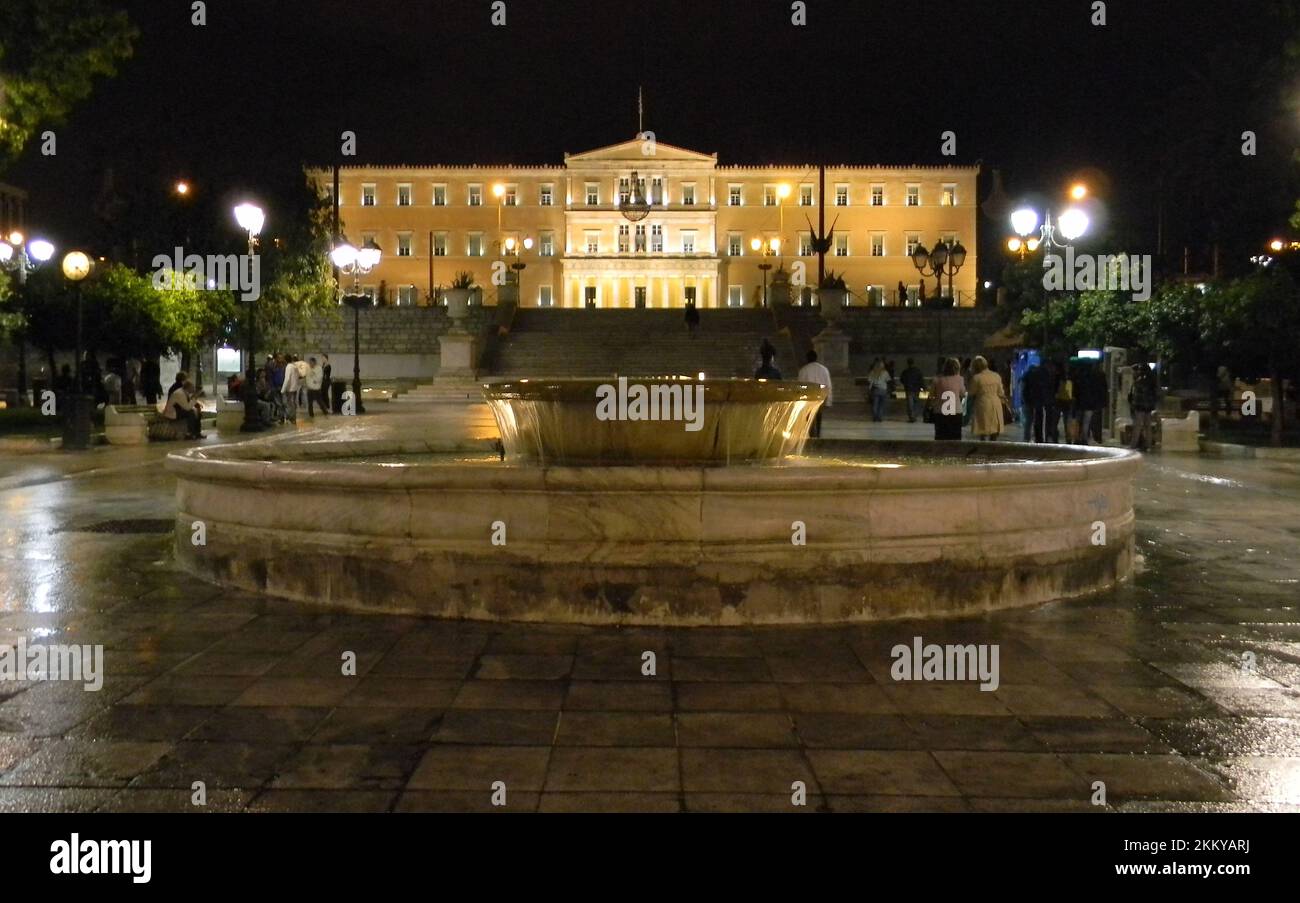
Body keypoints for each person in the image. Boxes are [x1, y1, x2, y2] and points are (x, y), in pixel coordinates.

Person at [968, 356, 1008, 441]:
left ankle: (983, 446)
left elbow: (971, 392)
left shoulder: (976, 378)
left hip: (982, 403)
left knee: (983, 427)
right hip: (995, 403)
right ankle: (993, 447)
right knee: (994, 427)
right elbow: (1001, 392)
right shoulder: (996, 376)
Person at [928, 358, 965, 440]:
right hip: (955, 411)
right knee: (955, 436)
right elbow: (963, 393)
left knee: (941, 436)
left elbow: (931, 395)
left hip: (940, 411)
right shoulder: (959, 379)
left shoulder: (937, 380)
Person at [797, 350, 832, 438]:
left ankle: (812, 434)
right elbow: (828, 386)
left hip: (809, 398)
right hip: (820, 397)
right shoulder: (824, 370)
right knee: (819, 416)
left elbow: (800, 386)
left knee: (809, 418)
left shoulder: (803, 370)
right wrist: (829, 400)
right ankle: (818, 434)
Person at [1128, 363, 1159, 451]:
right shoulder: (1152, 381)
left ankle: (1133, 445)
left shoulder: (1139, 381)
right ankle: (1148, 445)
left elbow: (1136, 396)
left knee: (1137, 426)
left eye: (1140, 369)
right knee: (1147, 426)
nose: (1138, 371)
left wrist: (1133, 404)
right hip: (1149, 407)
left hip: (1140, 407)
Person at [1021, 361, 1050, 443]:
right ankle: (1039, 437)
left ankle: (1027, 437)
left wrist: (1024, 400)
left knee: (1029, 420)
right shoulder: (1042, 376)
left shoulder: (1027, 376)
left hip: (1029, 401)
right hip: (1039, 401)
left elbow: (1024, 390)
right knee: (1038, 419)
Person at [900, 358, 924, 423]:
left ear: (908, 363)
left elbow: (902, 379)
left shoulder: (905, 371)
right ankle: (914, 416)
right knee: (916, 403)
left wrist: (906, 384)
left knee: (910, 404)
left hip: (909, 389)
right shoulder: (918, 371)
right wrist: (923, 387)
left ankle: (911, 417)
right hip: (916, 389)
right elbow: (921, 380)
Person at [866, 358, 890, 423]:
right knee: (881, 404)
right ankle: (880, 417)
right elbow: (888, 380)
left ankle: (875, 417)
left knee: (875, 404)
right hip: (883, 390)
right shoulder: (885, 372)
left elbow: (869, 380)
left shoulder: (873, 372)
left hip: (875, 389)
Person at [281, 353, 302, 421]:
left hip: (290, 388)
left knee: (288, 403)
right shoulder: (295, 367)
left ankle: (291, 417)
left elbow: (287, 379)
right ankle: (293, 417)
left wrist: (283, 389)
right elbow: (298, 376)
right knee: (293, 403)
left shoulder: (288, 367)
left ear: (285, 360)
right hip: (295, 387)